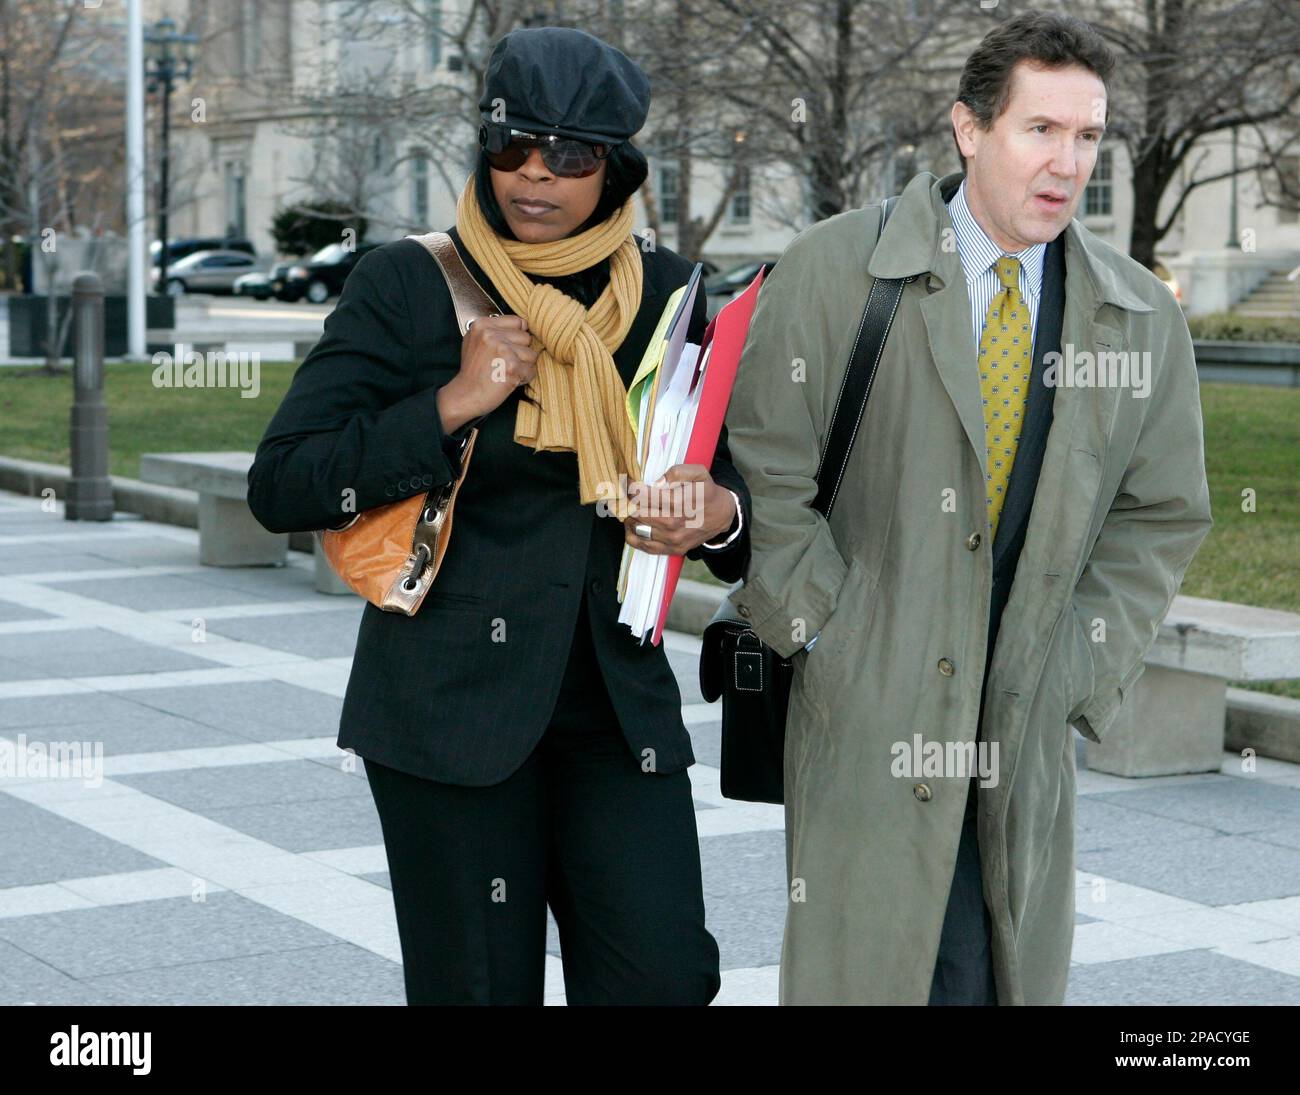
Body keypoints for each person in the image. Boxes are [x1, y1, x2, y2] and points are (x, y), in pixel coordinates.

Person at [246, 26, 750, 1006]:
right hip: (449, 715)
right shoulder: (408, 283)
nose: (534, 175)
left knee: (664, 978)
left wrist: (716, 511)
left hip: (614, 710)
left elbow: (737, 500)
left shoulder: (671, 294)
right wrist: (450, 404)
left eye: (569, 156)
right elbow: (284, 484)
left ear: (614, 168)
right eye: (512, 146)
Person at [722, 10, 1212, 1005]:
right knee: (877, 974)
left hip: (1021, 723)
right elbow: (764, 470)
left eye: (1086, 136)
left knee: (994, 975)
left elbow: (1158, 514)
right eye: (1041, 130)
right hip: (868, 719)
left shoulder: (1138, 315)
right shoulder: (830, 269)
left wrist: (1083, 661)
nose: (1067, 163)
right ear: (968, 128)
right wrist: (830, 636)